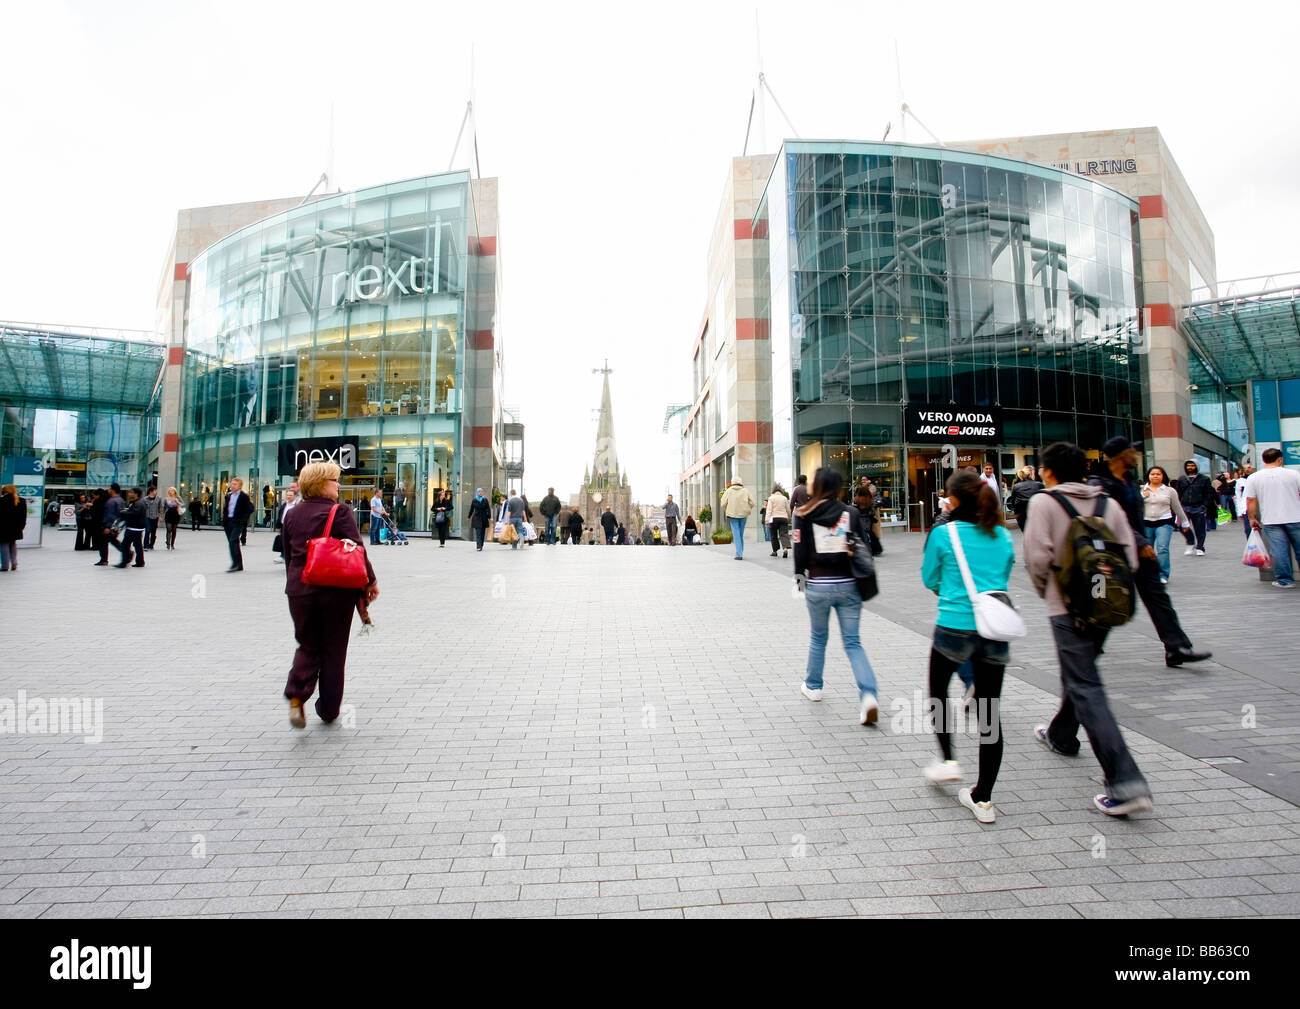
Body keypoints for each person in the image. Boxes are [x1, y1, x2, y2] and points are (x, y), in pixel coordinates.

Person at [1025, 441, 1152, 817]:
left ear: (1047, 471)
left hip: (1066, 608)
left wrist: (1050, 594)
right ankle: (1062, 735)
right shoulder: (1107, 504)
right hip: (1105, 607)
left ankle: (1125, 781)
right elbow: (1127, 556)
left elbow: (1036, 558)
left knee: (1085, 684)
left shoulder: (1044, 503)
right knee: (1083, 673)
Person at [919, 470, 1015, 823]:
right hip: (994, 628)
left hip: (954, 627)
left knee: (938, 694)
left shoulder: (942, 534)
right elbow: (1003, 574)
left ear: (953, 499)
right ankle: (984, 799)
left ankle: (947, 760)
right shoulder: (1002, 534)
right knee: (991, 713)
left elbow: (930, 578)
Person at [1090, 437, 1211, 668]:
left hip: (1138, 551)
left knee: (1158, 599)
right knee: (1109, 604)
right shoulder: (1099, 484)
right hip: (1113, 553)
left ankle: (1177, 648)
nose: (1136, 455)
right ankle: (1086, 653)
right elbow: (1105, 519)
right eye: (1131, 452)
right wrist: (1139, 542)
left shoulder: (1128, 481)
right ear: (1120, 456)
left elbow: (1133, 519)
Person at [281, 461, 378, 729]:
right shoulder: (340, 512)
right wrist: (370, 582)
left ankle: (296, 696)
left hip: (299, 590)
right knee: (334, 651)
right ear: (322, 483)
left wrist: (294, 582)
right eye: (335, 480)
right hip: (336, 592)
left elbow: (289, 557)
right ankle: (328, 709)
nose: (338, 485)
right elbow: (357, 550)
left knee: (308, 645)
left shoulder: (292, 514)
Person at [793, 467, 880, 727]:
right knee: (853, 642)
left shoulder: (804, 514)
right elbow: (863, 544)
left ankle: (814, 686)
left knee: (818, 638)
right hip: (849, 584)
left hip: (818, 584)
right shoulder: (850, 513)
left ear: (817, 487)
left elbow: (799, 552)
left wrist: (800, 582)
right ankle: (868, 696)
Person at [1246, 447, 1300, 588]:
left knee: (1279, 551)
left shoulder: (1254, 477)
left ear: (1263, 460)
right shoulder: (1294, 474)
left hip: (1271, 520)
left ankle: (1285, 581)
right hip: (1295, 517)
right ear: (1280, 459)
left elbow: (1251, 501)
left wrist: (1252, 518)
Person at [1141, 466, 1188, 585]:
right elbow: (1134, 506)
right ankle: (1150, 574)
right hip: (1146, 523)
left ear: (1163, 476)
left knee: (1162, 548)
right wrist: (1141, 497)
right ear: (1148, 476)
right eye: (1153, 474)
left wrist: (1184, 521)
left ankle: (1163, 574)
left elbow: (1177, 507)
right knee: (1148, 549)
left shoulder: (1169, 491)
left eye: (1158, 474)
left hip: (1164, 522)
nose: (1155, 476)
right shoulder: (1142, 490)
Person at [1173, 460, 1215, 556]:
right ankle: (1190, 542)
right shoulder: (1182, 479)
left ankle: (1200, 547)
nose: (1190, 467)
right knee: (1182, 526)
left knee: (1199, 528)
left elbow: (1209, 493)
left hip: (1198, 506)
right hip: (1184, 507)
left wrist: (1204, 505)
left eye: (1192, 465)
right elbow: (1177, 493)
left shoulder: (1204, 479)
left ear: (1197, 466)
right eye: (1188, 465)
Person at [720, 477, 756, 560]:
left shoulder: (729, 491)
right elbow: (753, 502)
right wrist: (747, 507)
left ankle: (739, 554)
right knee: (740, 534)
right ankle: (740, 551)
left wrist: (727, 508)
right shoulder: (745, 491)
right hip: (743, 515)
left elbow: (723, 503)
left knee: (736, 534)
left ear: (732, 482)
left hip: (732, 515)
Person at [222, 477, 253, 572]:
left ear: (240, 486)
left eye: (235, 484)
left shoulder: (244, 496)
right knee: (234, 543)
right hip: (228, 522)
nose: (232, 486)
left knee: (232, 541)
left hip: (238, 522)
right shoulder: (228, 496)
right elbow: (226, 509)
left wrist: (243, 520)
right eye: (232, 484)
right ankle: (239, 565)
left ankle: (235, 563)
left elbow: (250, 508)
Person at [113, 488, 147, 568]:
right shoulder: (135, 503)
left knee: (125, 545)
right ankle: (140, 562)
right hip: (136, 528)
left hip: (133, 528)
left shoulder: (138, 503)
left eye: (131, 492)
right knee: (138, 545)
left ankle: (124, 562)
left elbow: (134, 514)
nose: (129, 494)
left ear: (136, 494)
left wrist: (124, 513)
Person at [1007, 466, 1043, 532]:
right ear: (1032, 474)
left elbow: (1013, 502)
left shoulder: (1016, 486)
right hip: (1035, 514)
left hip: (1021, 515)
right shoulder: (1039, 485)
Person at [0, 485, 26, 572]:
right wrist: (21, 527)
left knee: (4, 545)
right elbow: (24, 516)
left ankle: (5, 565)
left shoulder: (2, 501)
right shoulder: (21, 501)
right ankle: (14, 563)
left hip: (3, 527)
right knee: (13, 544)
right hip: (16, 528)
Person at [98, 484, 123, 566]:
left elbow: (110, 515)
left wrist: (107, 526)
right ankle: (127, 552)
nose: (108, 490)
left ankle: (104, 559)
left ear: (113, 490)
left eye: (109, 489)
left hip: (110, 525)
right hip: (117, 525)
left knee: (104, 542)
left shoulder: (111, 501)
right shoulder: (121, 500)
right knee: (112, 540)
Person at [273, 484, 299, 563]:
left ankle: (292, 556)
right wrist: (278, 525)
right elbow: (280, 515)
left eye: (290, 495)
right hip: (284, 525)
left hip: (293, 526)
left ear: (295, 496)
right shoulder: (284, 505)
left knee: (292, 542)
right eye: (287, 495)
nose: (288, 497)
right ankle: (283, 555)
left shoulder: (297, 505)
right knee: (283, 541)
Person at [765, 485, 791, 558]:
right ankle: (785, 549)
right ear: (780, 491)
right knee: (784, 534)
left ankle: (775, 551)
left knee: (774, 535)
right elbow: (788, 510)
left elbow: (769, 510)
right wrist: (788, 518)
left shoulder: (771, 498)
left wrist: (767, 519)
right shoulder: (784, 498)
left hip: (774, 519)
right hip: (783, 518)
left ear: (773, 491)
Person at [1235, 464, 1256, 537]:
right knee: (1248, 530)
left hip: (1258, 507)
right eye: (1245, 468)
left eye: (1249, 467)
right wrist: (1239, 511)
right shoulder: (1240, 481)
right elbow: (1238, 497)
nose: (1247, 469)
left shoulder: (1257, 478)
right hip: (1247, 509)